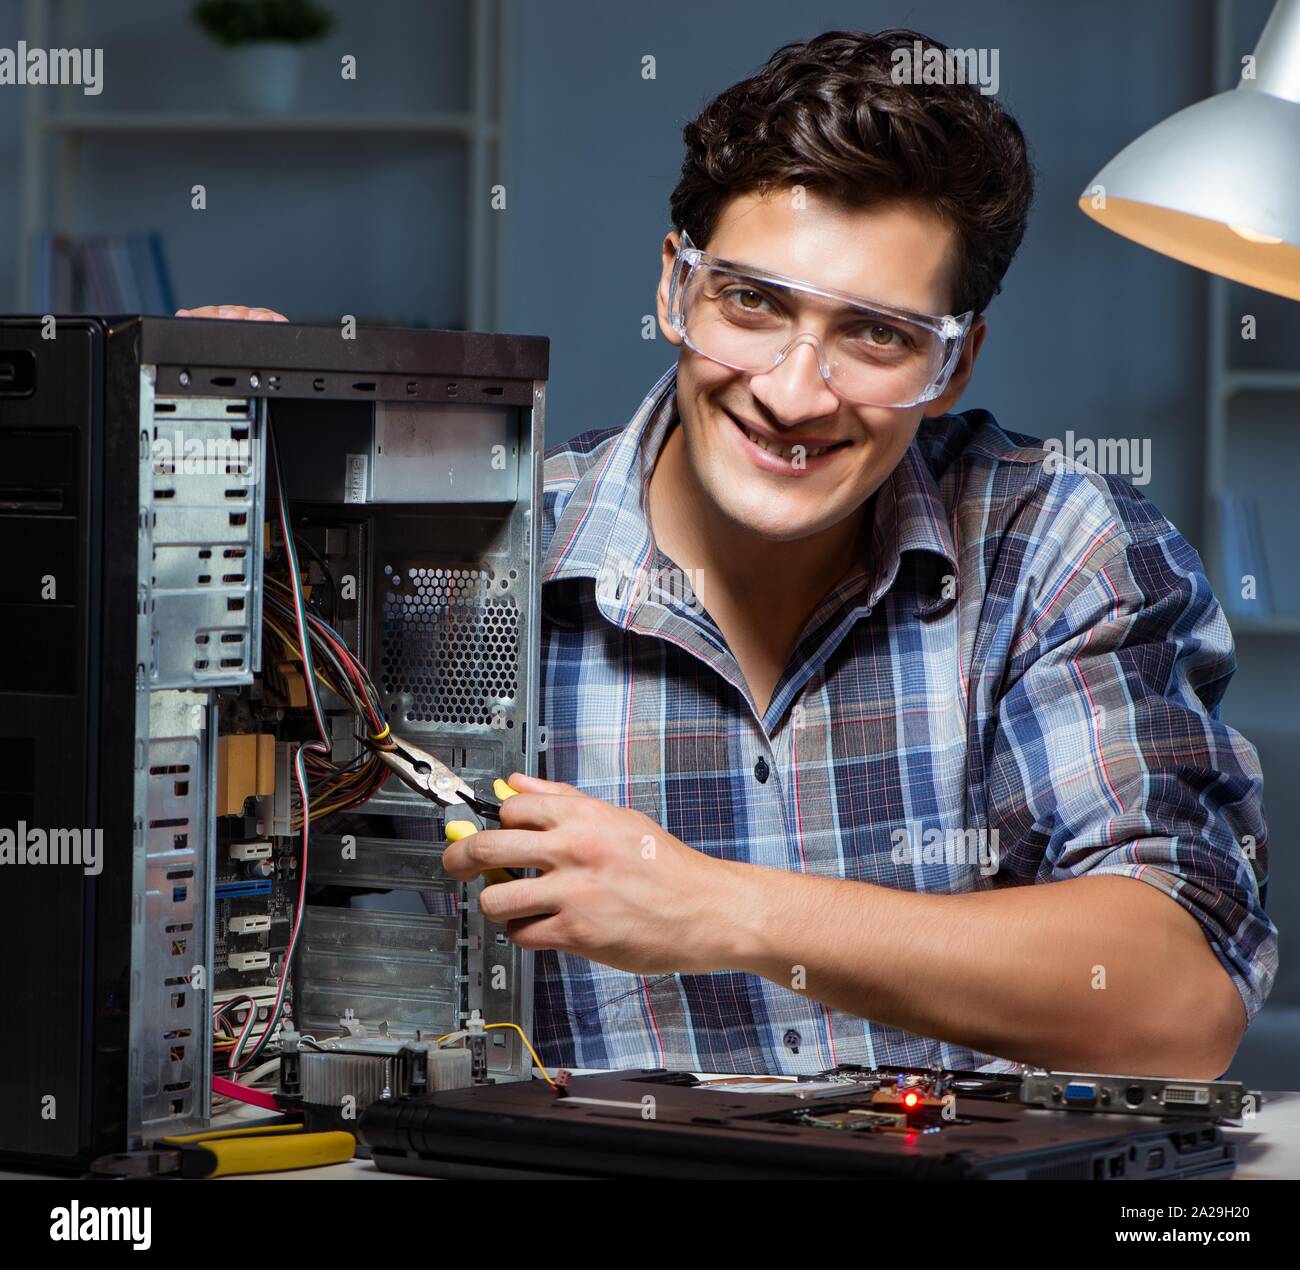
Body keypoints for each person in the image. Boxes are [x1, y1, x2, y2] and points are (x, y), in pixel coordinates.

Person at [179, 28, 1275, 1078]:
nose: (795, 394)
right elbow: (234, 880)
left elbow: (1176, 1003)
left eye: (876, 335)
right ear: (675, 286)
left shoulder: (1054, 548)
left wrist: (718, 907)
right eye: (751, 304)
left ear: (955, 362)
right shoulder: (446, 553)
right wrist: (214, 504)